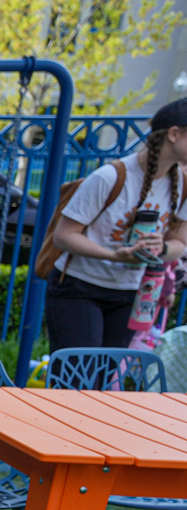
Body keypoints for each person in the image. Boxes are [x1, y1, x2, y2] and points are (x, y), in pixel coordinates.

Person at [46, 98, 187, 351]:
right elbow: (64, 236)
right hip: (79, 288)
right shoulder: (110, 176)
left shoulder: (183, 184)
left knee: (102, 383)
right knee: (78, 379)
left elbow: (179, 243)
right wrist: (114, 255)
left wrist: (161, 249)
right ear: (174, 134)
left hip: (131, 292)